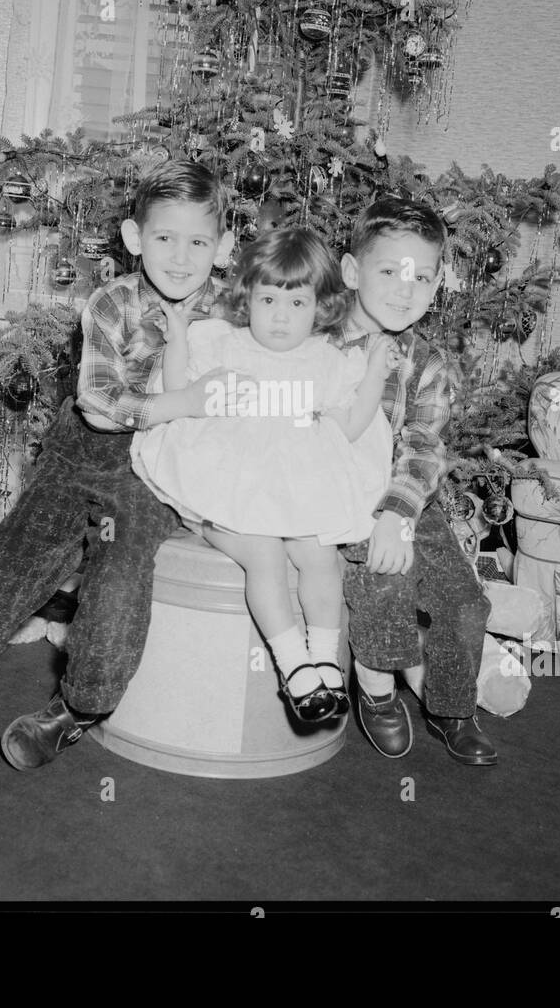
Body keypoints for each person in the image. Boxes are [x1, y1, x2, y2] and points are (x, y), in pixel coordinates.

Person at [0, 160, 242, 769]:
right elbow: (100, 405)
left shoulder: (236, 313)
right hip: (84, 450)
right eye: (164, 238)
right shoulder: (111, 302)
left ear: (225, 247)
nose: (181, 258)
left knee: (120, 578)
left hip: (155, 472)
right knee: (11, 559)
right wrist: (177, 401)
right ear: (133, 239)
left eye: (199, 242)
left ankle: (79, 707)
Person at [132, 227, 395, 720]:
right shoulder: (226, 344)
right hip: (230, 484)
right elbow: (179, 392)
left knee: (319, 557)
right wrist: (178, 339)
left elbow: (355, 425)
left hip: (298, 488)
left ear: (319, 307)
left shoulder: (325, 360)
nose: (279, 316)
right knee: (266, 555)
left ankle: (326, 661)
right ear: (246, 297)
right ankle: (294, 667)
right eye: (268, 299)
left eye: (296, 304)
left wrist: (376, 373)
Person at [338, 196, 498, 765]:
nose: (405, 290)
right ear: (353, 271)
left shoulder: (425, 360)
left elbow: (424, 443)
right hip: (339, 493)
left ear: (435, 286)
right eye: (389, 271)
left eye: (421, 277)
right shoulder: (318, 339)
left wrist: (399, 513)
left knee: (464, 600)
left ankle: (453, 706)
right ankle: (377, 689)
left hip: (404, 497)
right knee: (387, 581)